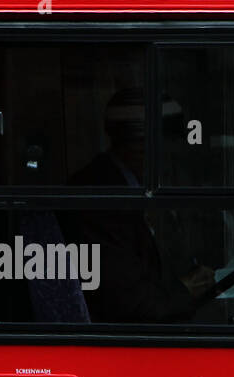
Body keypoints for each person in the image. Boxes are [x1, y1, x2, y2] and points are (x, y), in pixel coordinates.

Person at [65, 87, 216, 322]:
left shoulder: (131, 186)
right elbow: (130, 303)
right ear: (140, 145)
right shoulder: (101, 200)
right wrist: (185, 289)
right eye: (167, 143)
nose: (173, 154)